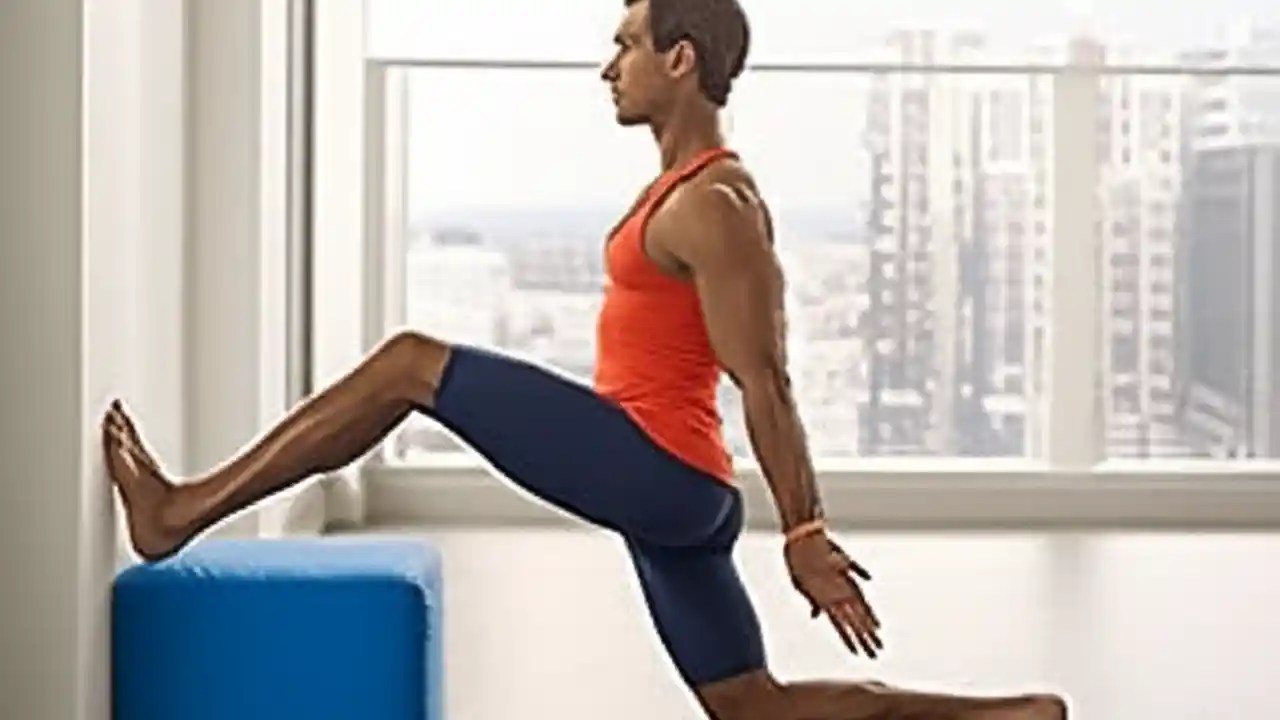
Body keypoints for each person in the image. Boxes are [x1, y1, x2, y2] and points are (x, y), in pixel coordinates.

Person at [103, 1, 1068, 718]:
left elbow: (764, 379)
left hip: (663, 471)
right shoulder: (684, 192)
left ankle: (182, 510)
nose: (608, 65)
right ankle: (1008, 717)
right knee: (748, 705)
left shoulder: (713, 206)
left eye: (625, 43)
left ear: (679, 59)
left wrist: (807, 532)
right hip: (671, 488)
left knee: (409, 364)